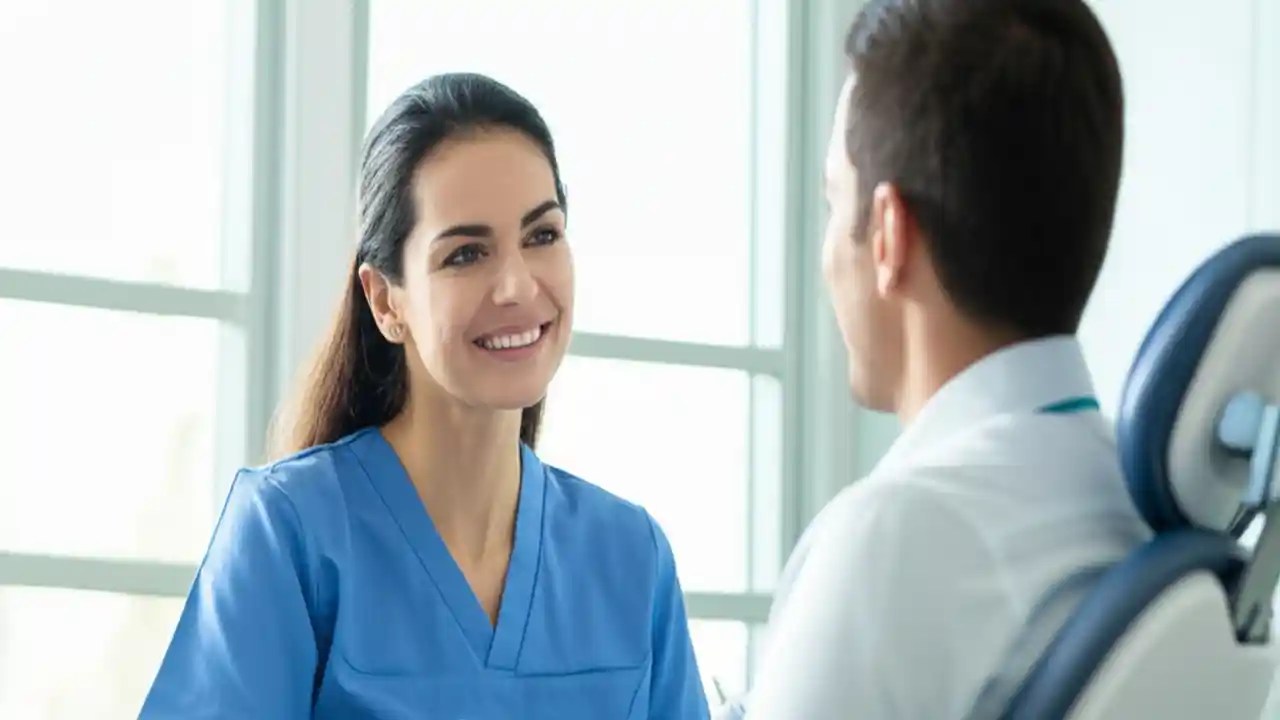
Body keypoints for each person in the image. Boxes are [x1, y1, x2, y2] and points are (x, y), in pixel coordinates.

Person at [141, 73, 708, 719]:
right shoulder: (291, 534)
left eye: (542, 235)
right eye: (466, 254)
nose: (517, 286)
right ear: (385, 300)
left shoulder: (630, 558)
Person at [733, 1, 1151, 718]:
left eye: (835, 201)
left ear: (889, 233)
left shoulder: (893, 540)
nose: (829, 250)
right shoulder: (1133, 513)